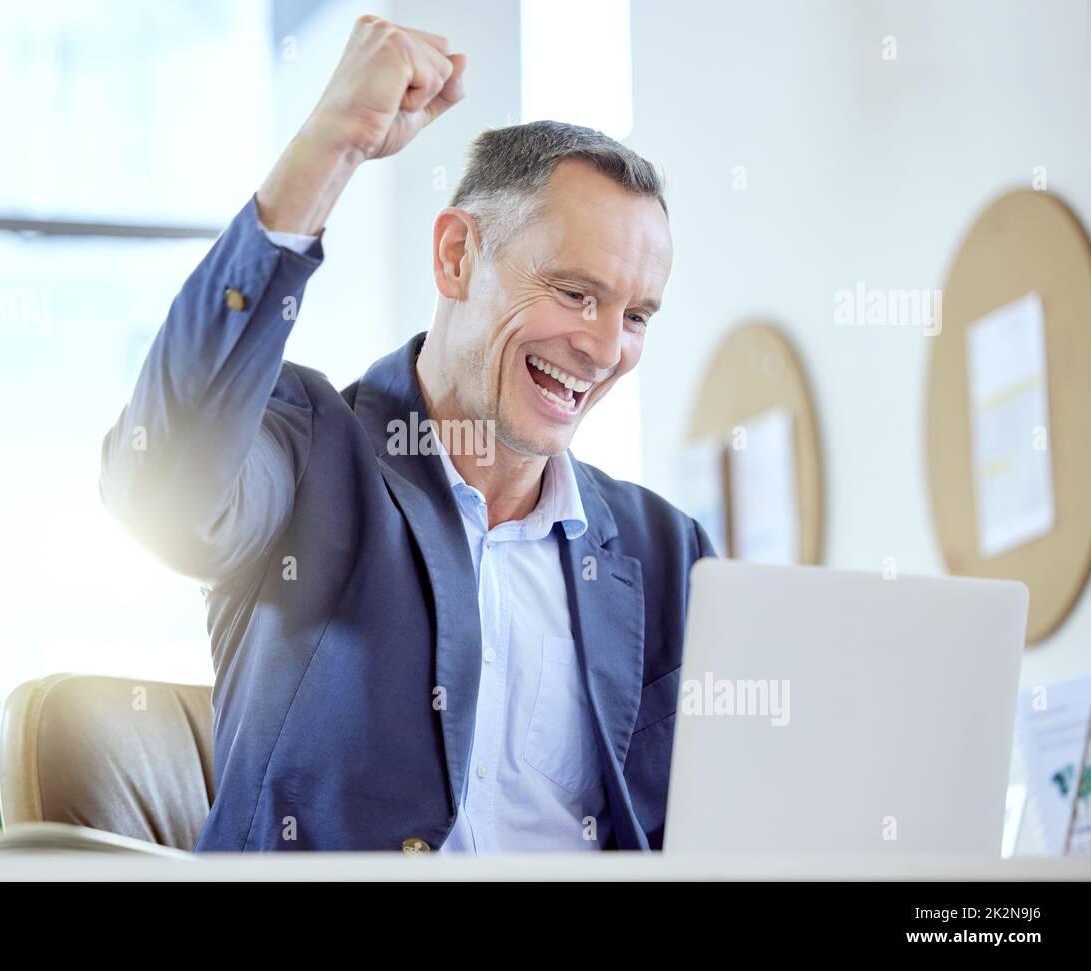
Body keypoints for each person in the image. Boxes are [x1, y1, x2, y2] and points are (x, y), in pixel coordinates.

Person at [101, 14, 713, 852]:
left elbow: (721, 829)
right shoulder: (309, 452)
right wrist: (329, 148)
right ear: (457, 256)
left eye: (635, 314)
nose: (606, 348)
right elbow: (160, 487)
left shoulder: (669, 550)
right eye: (575, 292)